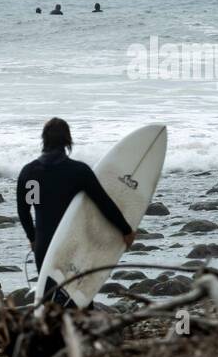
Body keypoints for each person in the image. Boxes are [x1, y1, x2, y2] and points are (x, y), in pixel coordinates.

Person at [16, 118, 135, 305]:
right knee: (78, 296)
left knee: (49, 299)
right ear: (67, 141)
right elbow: (103, 203)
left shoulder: (30, 173)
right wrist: (125, 230)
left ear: (44, 140)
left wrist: (33, 237)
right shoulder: (79, 172)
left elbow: (24, 210)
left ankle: (52, 332)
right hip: (72, 242)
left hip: (45, 244)